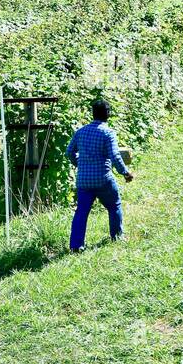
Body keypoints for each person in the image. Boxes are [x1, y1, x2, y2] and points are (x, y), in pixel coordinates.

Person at [66, 99, 134, 252]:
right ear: (108, 114)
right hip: (103, 179)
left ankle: (76, 246)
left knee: (81, 212)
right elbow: (115, 156)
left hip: (84, 181)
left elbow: (69, 152)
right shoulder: (108, 133)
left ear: (93, 114)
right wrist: (125, 172)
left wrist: (80, 164)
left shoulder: (81, 131)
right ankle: (117, 237)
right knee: (114, 205)